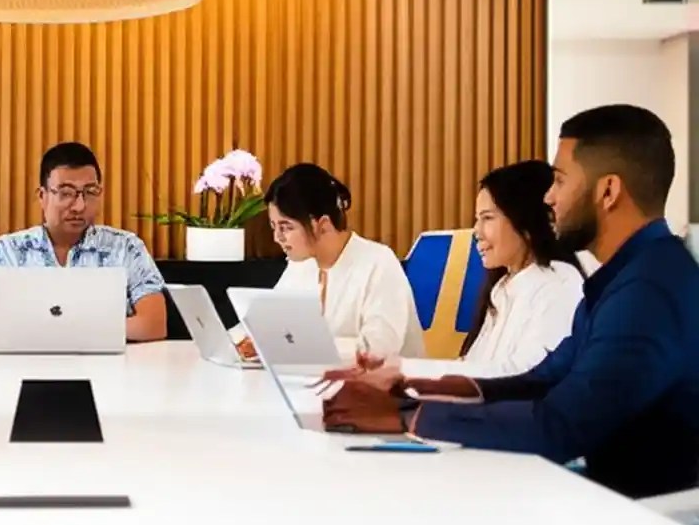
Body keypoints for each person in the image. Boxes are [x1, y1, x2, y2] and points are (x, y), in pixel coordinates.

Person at [324, 104, 699, 499]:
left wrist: (409, 416)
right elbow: (545, 378)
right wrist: (428, 389)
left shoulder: (647, 291)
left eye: (559, 181)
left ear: (608, 191)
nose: (549, 198)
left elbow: (559, 426)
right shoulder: (630, 275)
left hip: (641, 524)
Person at [327, 160, 585, 382]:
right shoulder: (504, 286)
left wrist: (405, 369)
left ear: (526, 220)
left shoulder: (559, 284)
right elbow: (473, 368)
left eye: (487, 218)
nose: (476, 231)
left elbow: (523, 375)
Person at [0, 142, 167, 342]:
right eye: (66, 193)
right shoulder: (8, 250)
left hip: (109, 367)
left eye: (90, 192)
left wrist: (65, 331)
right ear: (42, 196)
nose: (79, 206)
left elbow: (154, 324)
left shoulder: (126, 247)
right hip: (25, 365)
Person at [234, 163, 424, 359]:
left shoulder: (378, 262)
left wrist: (300, 344)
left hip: (387, 385)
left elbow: (378, 349)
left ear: (323, 225)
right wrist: (237, 341)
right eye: (274, 227)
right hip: (318, 383)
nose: (277, 237)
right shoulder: (301, 265)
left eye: (286, 227)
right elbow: (264, 321)